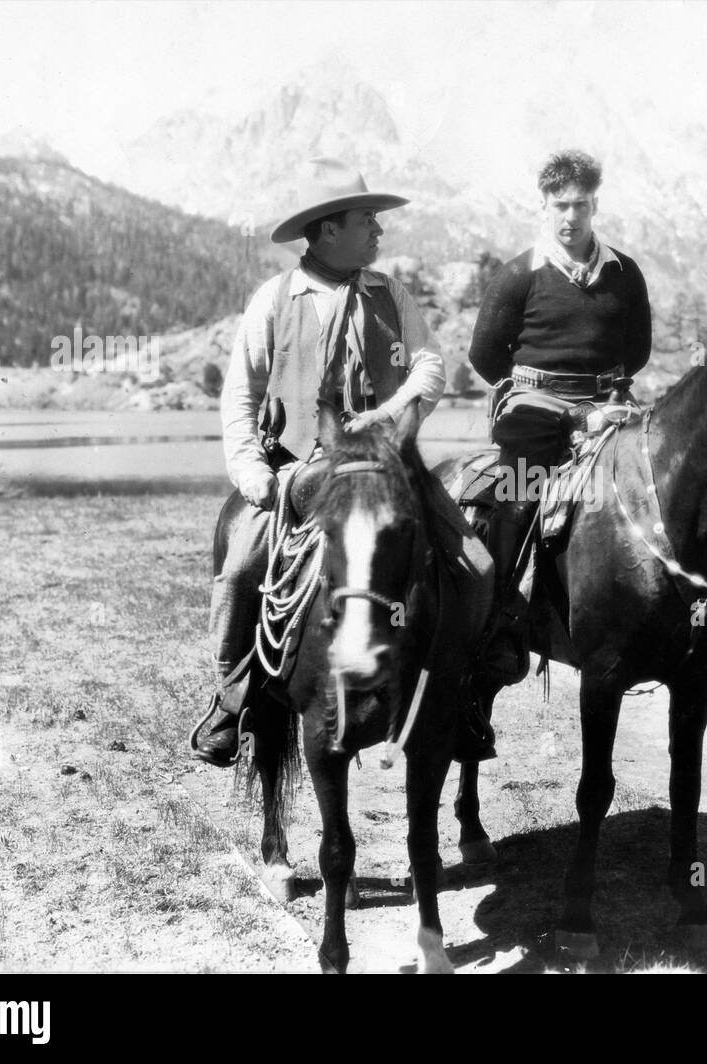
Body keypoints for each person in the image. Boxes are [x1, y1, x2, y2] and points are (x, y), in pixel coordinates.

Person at [190, 159, 493, 766]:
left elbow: (430, 366)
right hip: (301, 470)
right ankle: (233, 698)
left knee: (477, 565)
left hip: (385, 467)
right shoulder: (275, 300)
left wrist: (392, 413)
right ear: (329, 230)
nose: (379, 232)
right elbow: (241, 393)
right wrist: (252, 471)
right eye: (367, 221)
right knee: (244, 566)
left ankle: (459, 697)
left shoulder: (389, 294)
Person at [466, 149, 652, 681]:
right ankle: (500, 620)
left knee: (656, 482)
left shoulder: (624, 273)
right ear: (543, 206)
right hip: (534, 406)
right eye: (560, 205)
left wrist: (600, 403)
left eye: (581, 205)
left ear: (596, 205)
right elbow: (484, 356)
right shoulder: (517, 275)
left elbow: (636, 350)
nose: (571, 217)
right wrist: (544, 393)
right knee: (518, 493)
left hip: (609, 404)